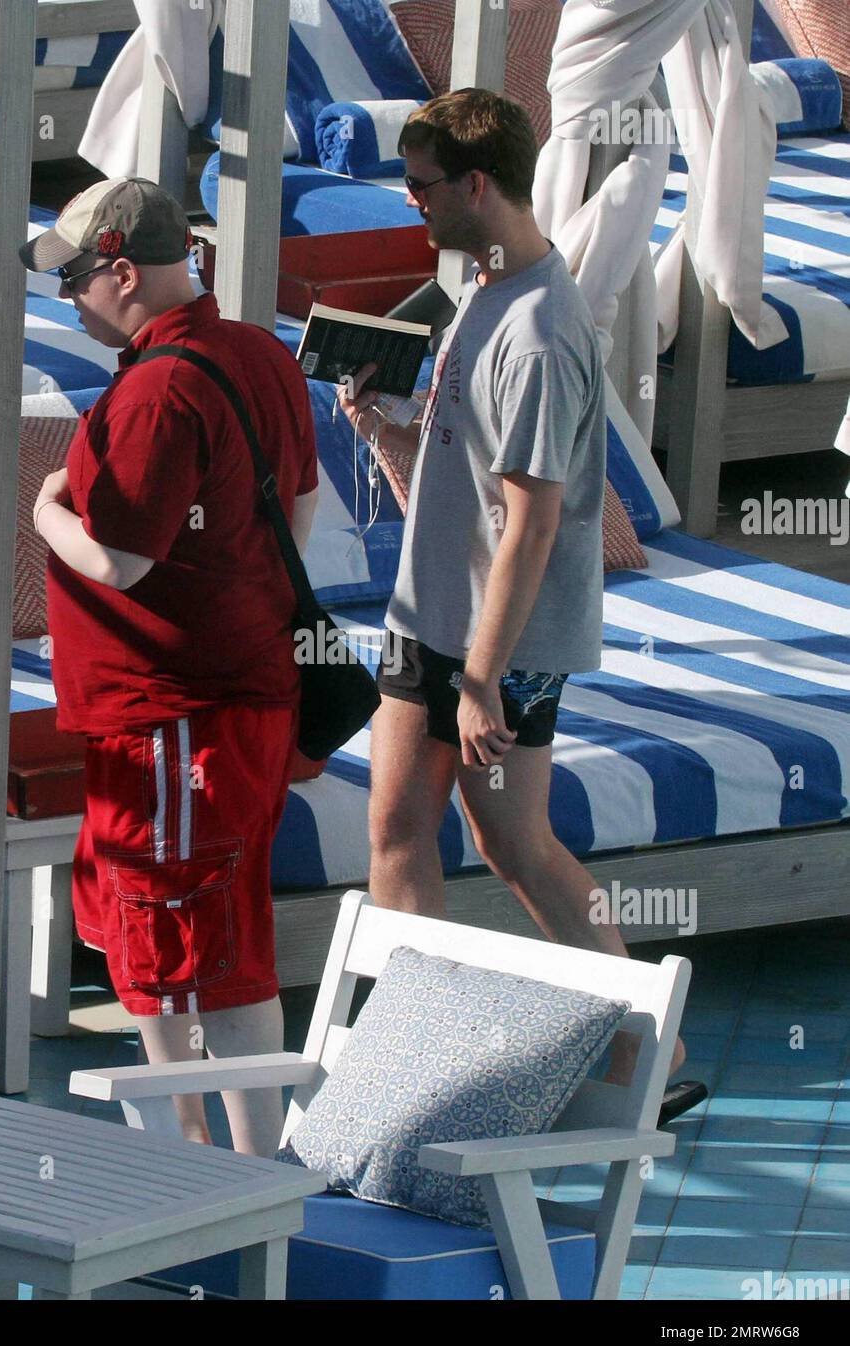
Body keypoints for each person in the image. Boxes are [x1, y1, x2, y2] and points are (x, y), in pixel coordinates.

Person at [339, 90, 702, 1122]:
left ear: (477, 185)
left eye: (420, 185)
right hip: (436, 614)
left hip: (497, 640)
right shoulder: (481, 294)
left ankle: (642, 1056)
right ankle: (412, 1050)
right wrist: (378, 429)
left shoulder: (540, 330)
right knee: (401, 832)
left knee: (515, 842)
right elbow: (461, 484)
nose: (411, 202)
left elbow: (532, 525)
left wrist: (482, 677)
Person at [20, 177, 320, 1156]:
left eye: (73, 280)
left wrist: (46, 510)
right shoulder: (259, 352)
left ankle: (231, 1172)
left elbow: (120, 559)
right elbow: (302, 506)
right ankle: (211, 1160)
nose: (67, 300)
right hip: (228, 697)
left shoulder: (156, 390)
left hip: (177, 716)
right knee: (200, 929)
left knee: (192, 946)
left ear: (120, 268)